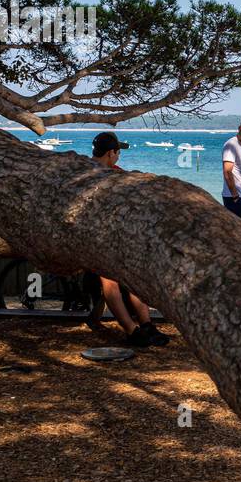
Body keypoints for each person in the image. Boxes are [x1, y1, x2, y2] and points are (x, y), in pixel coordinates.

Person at [90, 132, 169, 347]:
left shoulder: (87, 170)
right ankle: (131, 329)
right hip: (96, 238)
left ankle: (146, 325)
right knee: (110, 280)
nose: (119, 156)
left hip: (115, 236)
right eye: (118, 152)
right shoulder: (103, 174)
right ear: (110, 153)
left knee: (130, 278)